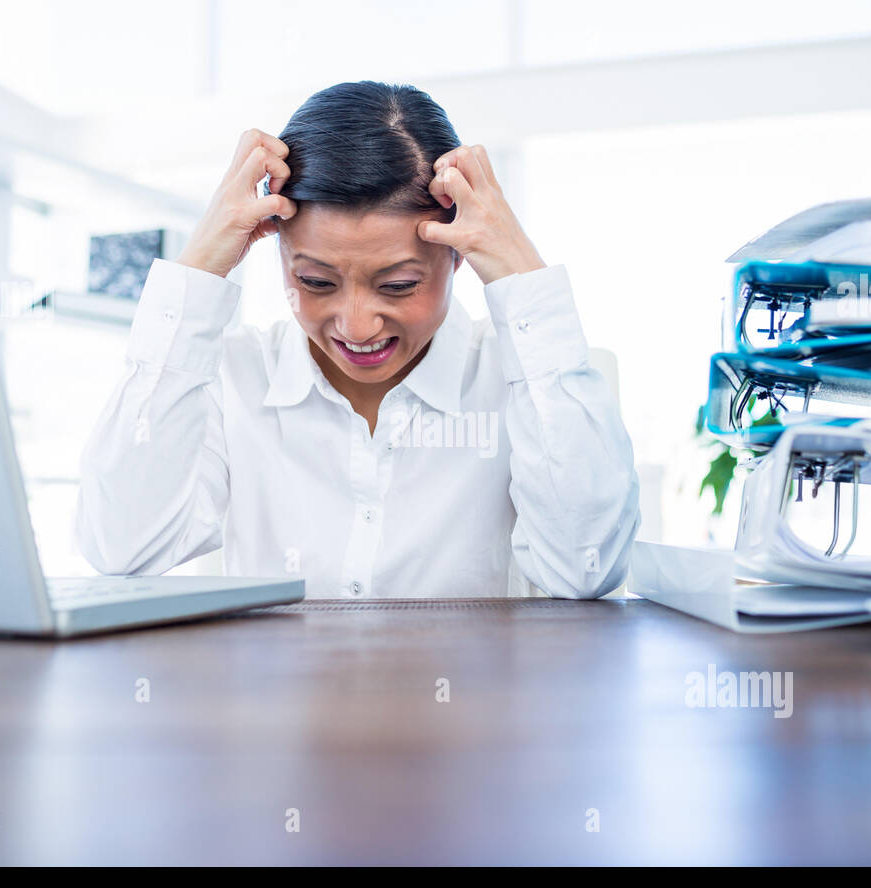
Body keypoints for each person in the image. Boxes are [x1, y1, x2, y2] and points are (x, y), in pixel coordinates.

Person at [75, 80, 640, 599]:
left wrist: (521, 274)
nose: (356, 326)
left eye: (397, 285)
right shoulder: (231, 374)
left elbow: (583, 569)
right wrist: (198, 268)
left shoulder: (519, 382)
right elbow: (123, 548)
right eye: (314, 281)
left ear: (460, 253)